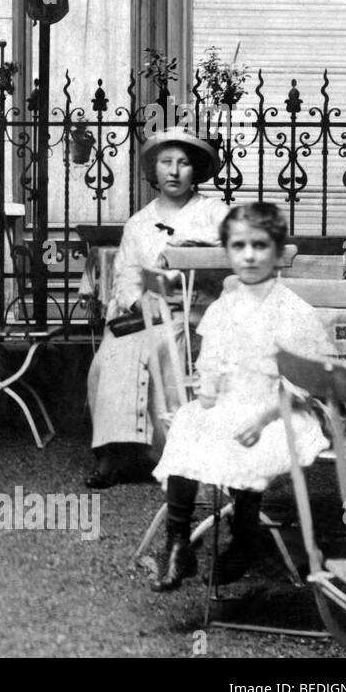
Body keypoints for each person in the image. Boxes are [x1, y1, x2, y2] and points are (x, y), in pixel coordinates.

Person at [149, 202, 333, 591]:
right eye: (239, 246)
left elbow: (308, 385)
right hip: (235, 401)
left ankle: (246, 536)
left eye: (260, 246)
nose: (249, 255)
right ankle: (178, 542)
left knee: (251, 437)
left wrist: (265, 416)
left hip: (284, 409)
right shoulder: (224, 307)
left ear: (279, 253)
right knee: (189, 421)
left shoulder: (292, 311)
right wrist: (208, 383)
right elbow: (211, 360)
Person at [85, 127, 230, 489]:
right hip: (146, 312)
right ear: (156, 170)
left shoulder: (214, 212)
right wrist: (140, 302)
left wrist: (193, 247)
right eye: (166, 162)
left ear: (194, 170)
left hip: (196, 309)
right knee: (113, 352)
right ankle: (112, 455)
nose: (174, 171)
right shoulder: (139, 222)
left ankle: (167, 454)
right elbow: (127, 276)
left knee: (165, 345)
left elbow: (238, 247)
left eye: (183, 163)